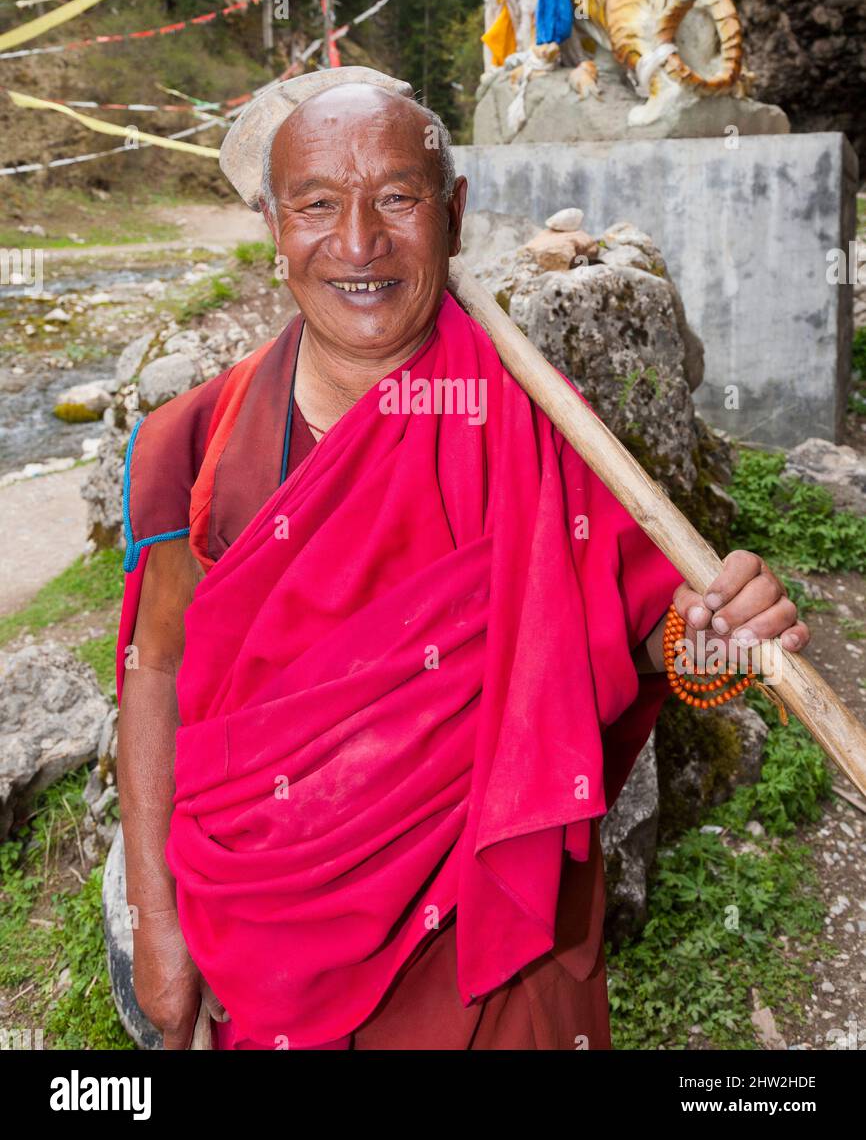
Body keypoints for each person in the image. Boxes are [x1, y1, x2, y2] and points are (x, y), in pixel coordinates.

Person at [116, 66, 810, 1051]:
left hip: (490, 941)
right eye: (317, 204)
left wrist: (713, 643)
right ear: (274, 227)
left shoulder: (539, 419)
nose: (358, 243)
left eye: (396, 198)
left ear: (451, 212)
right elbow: (155, 676)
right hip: (268, 933)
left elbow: (647, 640)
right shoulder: (191, 443)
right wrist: (158, 923)